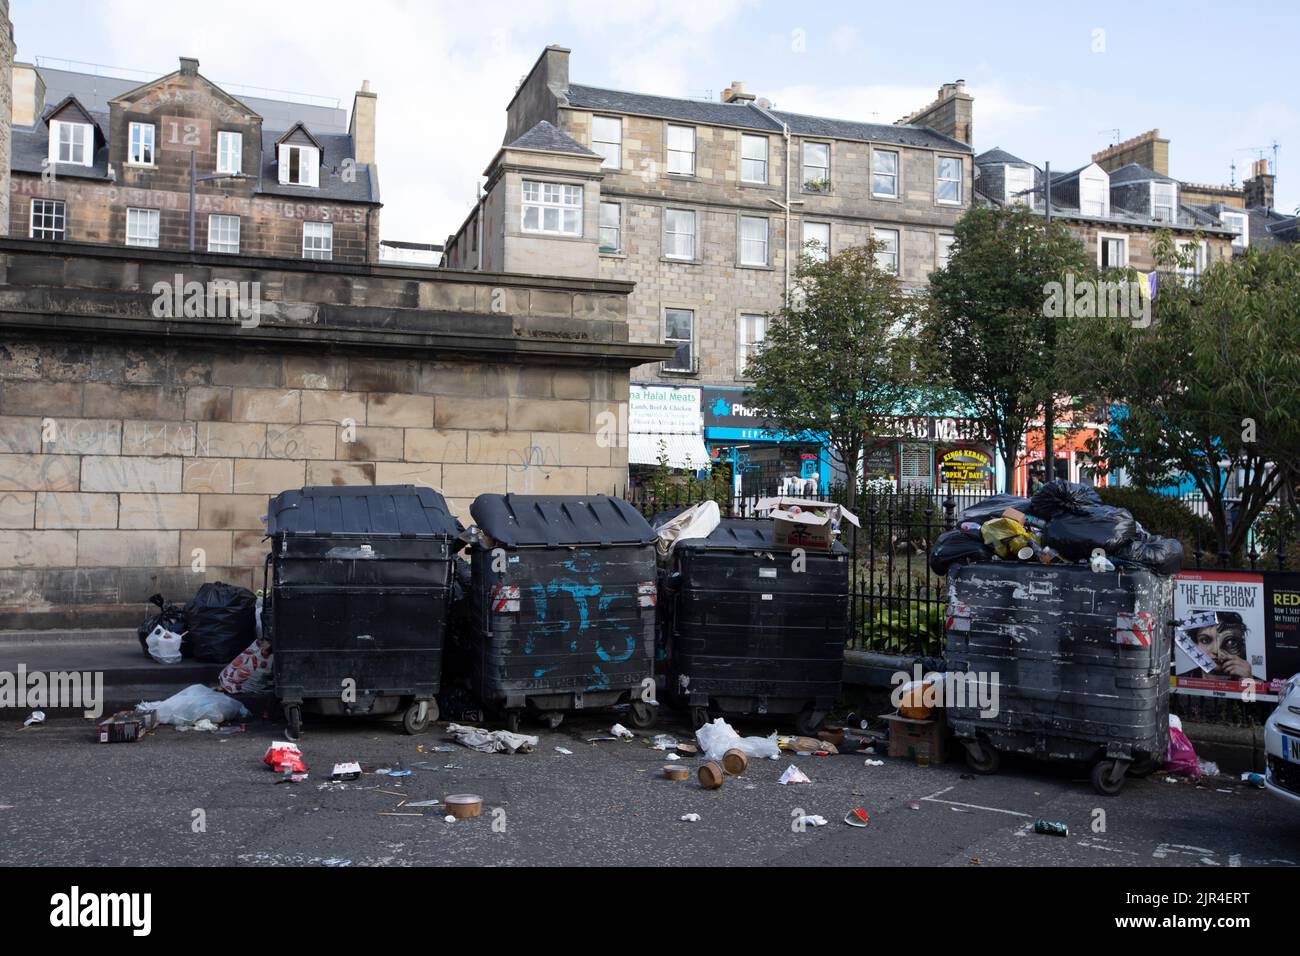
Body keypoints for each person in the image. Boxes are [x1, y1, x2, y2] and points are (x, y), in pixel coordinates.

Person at [1187, 611, 1253, 679]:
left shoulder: (1252, 679)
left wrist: (1249, 681)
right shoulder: (1182, 678)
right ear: (1195, 644)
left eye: (1229, 642)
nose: (1216, 650)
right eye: (1205, 640)